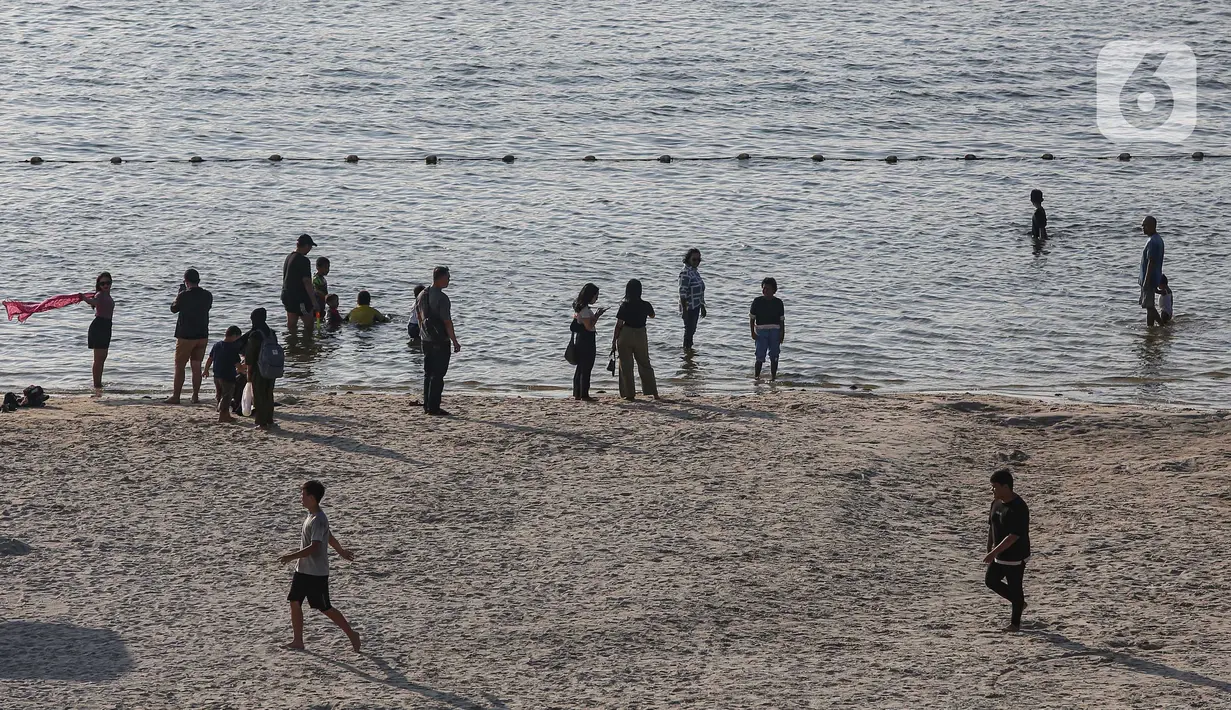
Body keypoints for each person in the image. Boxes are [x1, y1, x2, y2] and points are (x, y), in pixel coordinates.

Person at [278, 480, 360, 652]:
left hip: (316, 573)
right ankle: (298, 641)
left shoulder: (319, 519)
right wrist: (341, 551)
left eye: (303, 495)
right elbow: (329, 536)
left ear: (312, 498)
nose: (301, 498)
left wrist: (291, 556)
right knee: (294, 601)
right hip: (302, 570)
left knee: (325, 607)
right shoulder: (311, 516)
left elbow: (316, 545)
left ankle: (351, 634)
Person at [983, 468, 1031, 632]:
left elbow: (1013, 536)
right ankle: (1019, 602)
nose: (992, 490)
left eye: (994, 486)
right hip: (998, 554)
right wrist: (989, 546)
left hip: (1016, 556)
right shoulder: (995, 503)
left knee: (1015, 586)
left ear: (1006, 487)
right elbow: (992, 525)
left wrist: (993, 552)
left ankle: (1015, 624)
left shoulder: (1019, 508)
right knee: (991, 581)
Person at [415, 267, 461, 415]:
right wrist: (454, 341)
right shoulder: (442, 298)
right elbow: (447, 321)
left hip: (425, 338)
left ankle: (427, 405)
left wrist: (423, 331)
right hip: (440, 340)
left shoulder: (422, 293)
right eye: (448, 277)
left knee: (428, 373)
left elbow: (418, 315)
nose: (449, 280)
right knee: (438, 374)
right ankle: (434, 407)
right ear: (440, 278)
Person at [167, 268, 213, 404]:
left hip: (186, 336)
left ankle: (176, 396)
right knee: (196, 366)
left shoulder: (183, 295)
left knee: (180, 366)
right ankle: (195, 396)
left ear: (186, 281)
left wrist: (179, 294)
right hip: (202, 334)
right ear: (198, 281)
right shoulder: (208, 295)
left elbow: (173, 309)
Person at [613, 279, 659, 401]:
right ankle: (653, 392)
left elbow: (618, 325)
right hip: (640, 334)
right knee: (645, 363)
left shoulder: (624, 305)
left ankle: (629, 394)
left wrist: (614, 341)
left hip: (625, 333)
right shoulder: (645, 305)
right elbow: (652, 315)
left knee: (626, 365)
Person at [243, 308, 278, 431]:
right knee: (269, 393)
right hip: (272, 367)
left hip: (259, 368)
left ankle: (261, 423)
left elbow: (250, 355)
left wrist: (249, 371)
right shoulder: (272, 333)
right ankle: (270, 420)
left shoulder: (255, 334)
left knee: (259, 395)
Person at [571, 283, 607, 401]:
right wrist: (597, 315)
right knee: (586, 366)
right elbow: (588, 326)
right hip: (586, 339)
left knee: (581, 367)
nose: (596, 299)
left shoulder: (579, 307)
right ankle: (584, 394)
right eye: (595, 296)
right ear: (589, 296)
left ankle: (577, 393)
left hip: (581, 338)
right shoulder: (585, 309)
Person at [81, 272, 114, 396]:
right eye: (102, 283)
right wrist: (84, 298)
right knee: (98, 359)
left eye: (108, 283)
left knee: (103, 357)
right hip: (99, 326)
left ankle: (99, 384)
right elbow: (92, 302)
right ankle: (97, 385)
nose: (105, 285)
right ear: (99, 285)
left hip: (107, 326)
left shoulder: (107, 295)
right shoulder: (100, 295)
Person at [203, 326, 243, 423]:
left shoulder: (217, 345)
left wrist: (206, 370)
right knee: (227, 396)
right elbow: (237, 365)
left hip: (217, 375)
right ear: (234, 336)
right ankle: (222, 415)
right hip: (228, 376)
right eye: (238, 338)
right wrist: (243, 370)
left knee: (219, 394)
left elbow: (210, 359)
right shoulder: (233, 348)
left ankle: (225, 414)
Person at [282, 233, 320, 332]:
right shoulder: (303, 260)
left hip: (287, 295)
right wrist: (314, 302)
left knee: (291, 324)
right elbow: (307, 281)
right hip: (299, 299)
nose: (310, 249)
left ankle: (291, 343)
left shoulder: (289, 257)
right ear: (306, 246)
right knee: (309, 325)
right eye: (310, 247)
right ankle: (307, 344)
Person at [749, 277, 785, 380]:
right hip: (761, 330)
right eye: (764, 288)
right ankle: (757, 377)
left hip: (775, 330)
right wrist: (752, 332)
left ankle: (773, 377)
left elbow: (782, 320)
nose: (765, 291)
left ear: (774, 290)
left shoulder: (778, 303)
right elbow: (752, 319)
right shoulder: (757, 301)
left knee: (774, 355)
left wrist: (782, 333)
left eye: (768, 289)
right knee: (760, 355)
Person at [1139, 216, 1165, 327]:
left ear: (1152, 226)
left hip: (1149, 279)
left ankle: (1162, 326)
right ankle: (1150, 329)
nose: (1142, 228)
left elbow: (1151, 262)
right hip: (1154, 277)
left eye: (1145, 225)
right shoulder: (1157, 239)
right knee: (1149, 307)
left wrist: (1146, 281)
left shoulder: (1153, 242)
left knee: (1149, 306)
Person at [678, 248, 706, 349]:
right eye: (694, 259)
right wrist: (684, 311)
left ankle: (689, 354)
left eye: (699, 260)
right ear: (688, 259)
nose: (697, 262)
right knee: (689, 331)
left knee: (692, 330)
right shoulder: (685, 273)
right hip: (689, 307)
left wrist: (702, 306)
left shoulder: (695, 272)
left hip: (696, 306)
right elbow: (682, 293)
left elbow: (700, 290)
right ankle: (687, 353)